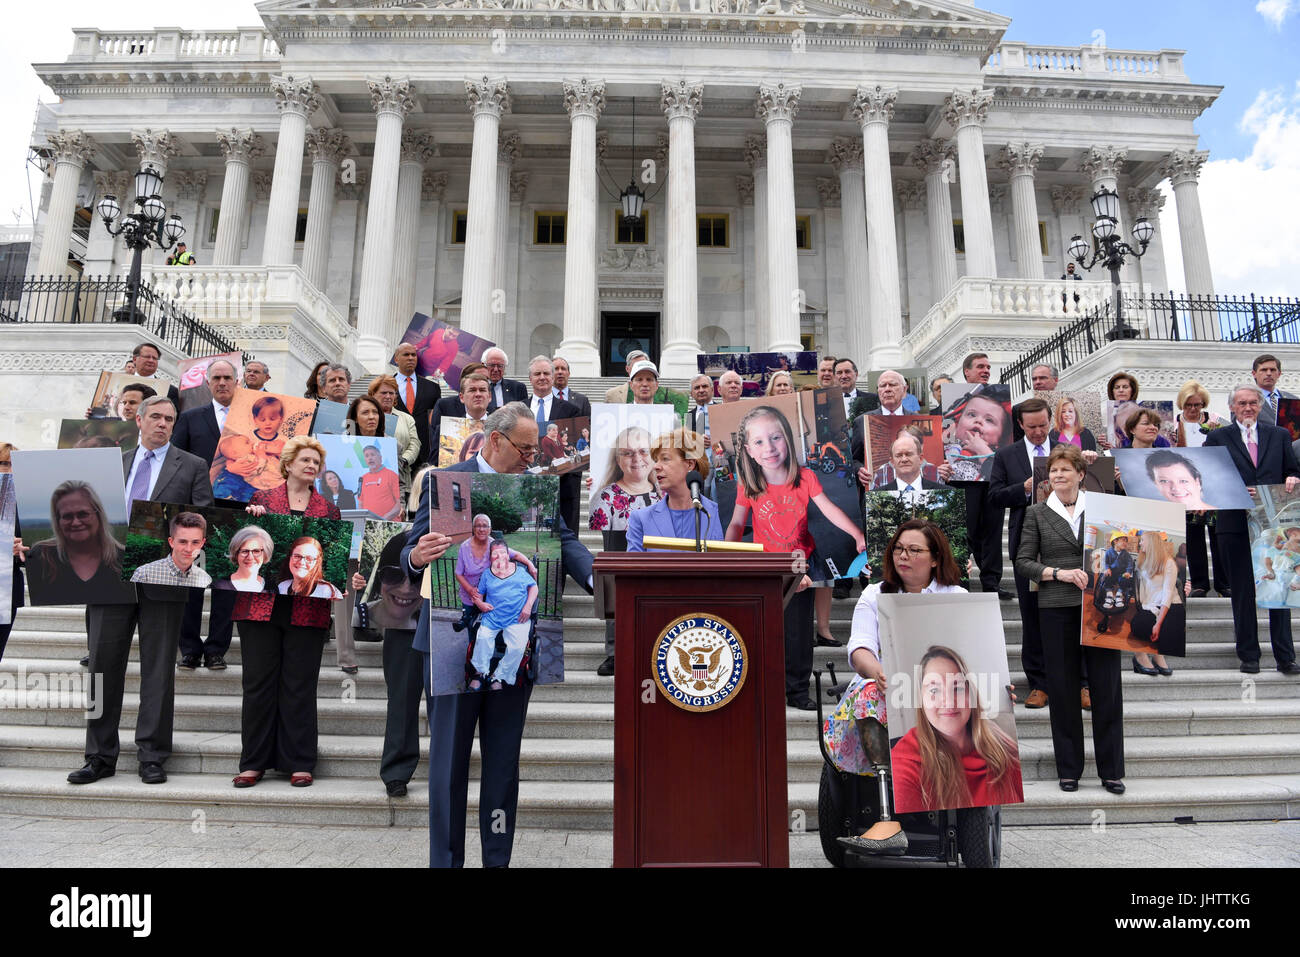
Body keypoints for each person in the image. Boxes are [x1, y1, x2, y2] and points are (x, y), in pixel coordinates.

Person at [402, 401, 595, 867]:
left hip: (516, 641)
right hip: (451, 642)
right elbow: (410, 549)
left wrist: (599, 578)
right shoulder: (447, 480)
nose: (533, 457)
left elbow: (565, 543)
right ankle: (446, 862)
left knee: (503, 765)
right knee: (448, 764)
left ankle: (496, 860)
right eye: (525, 448)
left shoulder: (536, 488)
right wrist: (417, 557)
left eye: (535, 449)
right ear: (495, 439)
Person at [66, 395, 215, 786]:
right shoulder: (113, 463)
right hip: (109, 575)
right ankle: (98, 756)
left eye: (170, 418)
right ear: (139, 419)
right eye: (156, 417)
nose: (163, 424)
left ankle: (152, 754)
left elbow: (201, 519)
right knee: (101, 667)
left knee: (159, 669)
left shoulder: (193, 465)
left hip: (164, 577)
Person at [830, 519, 968, 853]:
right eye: (898, 549)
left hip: (939, 692)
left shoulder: (955, 596)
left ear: (935, 558)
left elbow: (971, 654)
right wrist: (879, 672)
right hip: (885, 689)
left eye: (914, 550)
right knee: (867, 692)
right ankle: (886, 816)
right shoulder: (874, 594)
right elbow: (860, 648)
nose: (902, 556)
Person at [725, 404, 865, 710]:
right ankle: (766, 687)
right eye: (759, 442)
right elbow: (737, 523)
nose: (770, 447)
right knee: (766, 629)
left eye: (775, 438)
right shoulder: (748, 484)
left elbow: (828, 509)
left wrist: (856, 534)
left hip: (801, 564)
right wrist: (729, 555)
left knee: (800, 631)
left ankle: (797, 689)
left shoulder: (805, 477)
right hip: (766, 566)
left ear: (787, 439)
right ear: (748, 450)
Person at [1016, 444, 1126, 794]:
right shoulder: (1036, 513)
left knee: (1106, 688)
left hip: (1101, 607)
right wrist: (1056, 573)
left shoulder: (1103, 509)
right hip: (1056, 607)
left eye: (1066, 469)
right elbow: (1022, 561)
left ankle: (1111, 770)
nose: (1059, 475)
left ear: (1081, 474)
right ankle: (1069, 769)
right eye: (1054, 470)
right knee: (1062, 689)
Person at [232, 436, 341, 788]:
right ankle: (254, 761)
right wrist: (252, 522)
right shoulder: (261, 500)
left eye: (316, 462)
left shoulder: (328, 509)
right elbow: (244, 549)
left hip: (307, 608)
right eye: (305, 460)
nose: (311, 466)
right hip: (261, 606)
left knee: (299, 684)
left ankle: (299, 760)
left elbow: (330, 560)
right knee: (258, 683)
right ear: (289, 464)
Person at [1205, 383, 1300, 675]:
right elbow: (1206, 478)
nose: (1248, 408)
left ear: (1260, 406)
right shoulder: (1218, 437)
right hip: (1234, 524)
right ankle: (1249, 654)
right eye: (1242, 403)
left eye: (1252, 403)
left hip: (1273, 524)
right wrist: (1235, 489)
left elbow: (1293, 469)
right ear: (1233, 407)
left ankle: (1285, 657)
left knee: (1279, 588)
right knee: (1243, 590)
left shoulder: (1279, 435)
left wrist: (1293, 480)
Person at [989, 398, 1066, 709]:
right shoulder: (1007, 455)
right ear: (1020, 424)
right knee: (1032, 616)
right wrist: (1022, 488)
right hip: (1029, 547)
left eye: (1043, 425)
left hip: (1068, 545)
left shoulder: (1066, 449)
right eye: (1031, 427)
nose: (1038, 432)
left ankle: (1079, 681)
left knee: (1070, 615)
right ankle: (1039, 682)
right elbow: (994, 496)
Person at [890, 645, 1024, 815]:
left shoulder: (1000, 745)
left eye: (958, 687)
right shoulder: (905, 763)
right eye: (934, 689)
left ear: (970, 694)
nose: (948, 701)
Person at [590, 425, 661, 676]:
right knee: (616, 593)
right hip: (618, 546)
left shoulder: (664, 494)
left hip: (657, 552)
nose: (637, 458)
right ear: (618, 459)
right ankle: (615, 653)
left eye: (643, 451)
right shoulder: (605, 496)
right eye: (627, 452)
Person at [24, 480, 134, 606]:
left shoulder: (123, 559)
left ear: (99, 515)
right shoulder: (42, 556)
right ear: (57, 521)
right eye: (67, 516)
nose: (75, 522)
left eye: (83, 514)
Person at [627, 428, 725, 550]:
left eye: (665, 459)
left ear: (690, 464)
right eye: (656, 460)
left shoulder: (717, 513)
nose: (656, 466)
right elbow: (634, 568)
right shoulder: (640, 519)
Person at [1174, 380, 1228, 598]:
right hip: (1184, 486)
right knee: (1193, 537)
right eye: (1189, 405)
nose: (1194, 409)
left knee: (1217, 535)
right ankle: (1199, 584)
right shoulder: (1173, 423)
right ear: (1182, 405)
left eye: (1197, 405)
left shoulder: (1215, 421)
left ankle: (1224, 583)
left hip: (1211, 486)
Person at [467, 540, 538, 691]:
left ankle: (499, 676)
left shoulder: (520, 572)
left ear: (508, 555)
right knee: (483, 638)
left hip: (517, 618)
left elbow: (534, 587)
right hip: (493, 617)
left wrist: (528, 606)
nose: (500, 556)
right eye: (495, 553)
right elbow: (478, 595)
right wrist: (480, 604)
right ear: (491, 557)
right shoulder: (487, 574)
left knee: (518, 647)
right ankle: (480, 673)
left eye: (503, 553)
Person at [1130, 530, 1183, 677]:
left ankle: (1158, 655)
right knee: (1138, 626)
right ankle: (1140, 656)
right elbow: (1142, 592)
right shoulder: (1141, 562)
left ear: (1152, 543)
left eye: (1142, 541)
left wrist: (1158, 623)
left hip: (1170, 604)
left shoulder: (1169, 563)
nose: (1140, 543)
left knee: (1170, 632)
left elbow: (1167, 594)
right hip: (1151, 605)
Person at [368, 375, 421, 499]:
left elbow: (415, 443)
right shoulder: (364, 416)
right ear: (373, 394)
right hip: (371, 478)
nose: (388, 396)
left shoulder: (407, 418)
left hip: (400, 478)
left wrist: (403, 460)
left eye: (392, 393)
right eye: (383, 393)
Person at [130, 511, 212, 588]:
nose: (189, 549)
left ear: (202, 543)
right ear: (171, 542)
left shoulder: (205, 580)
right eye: (183, 542)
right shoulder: (144, 575)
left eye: (195, 542)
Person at [392, 341, 442, 462]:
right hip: (396, 448)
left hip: (425, 450)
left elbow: (436, 420)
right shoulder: (386, 386)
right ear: (396, 359)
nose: (410, 358)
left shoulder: (433, 388)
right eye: (406, 355)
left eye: (413, 355)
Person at [431, 369, 492, 465]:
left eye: (482, 390)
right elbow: (434, 466)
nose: (478, 394)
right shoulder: (446, 430)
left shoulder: (501, 428)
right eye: (472, 390)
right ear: (462, 397)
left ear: (489, 397)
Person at [866, 430, 948, 493]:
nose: (904, 459)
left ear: (920, 457)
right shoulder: (881, 473)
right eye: (899, 455)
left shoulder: (935, 471)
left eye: (909, 454)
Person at [1093, 532, 1136, 637]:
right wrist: (1107, 568)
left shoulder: (1126, 554)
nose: (1125, 543)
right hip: (1111, 572)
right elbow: (1106, 562)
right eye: (1123, 540)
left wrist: (1128, 572)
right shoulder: (1109, 552)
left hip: (1121, 574)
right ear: (1115, 541)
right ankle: (1109, 595)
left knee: (1126, 580)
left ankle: (1119, 595)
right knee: (1107, 577)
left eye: (1126, 541)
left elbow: (1130, 565)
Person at [214, 525, 275, 593]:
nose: (250, 557)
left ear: (265, 554)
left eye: (256, 551)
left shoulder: (271, 588)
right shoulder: (218, 587)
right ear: (236, 554)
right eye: (245, 551)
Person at [357, 444, 403, 521]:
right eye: (367, 456)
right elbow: (360, 504)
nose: (370, 458)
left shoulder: (392, 475)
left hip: (389, 523)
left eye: (372, 454)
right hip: (369, 525)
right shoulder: (362, 478)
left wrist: (383, 519)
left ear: (380, 458)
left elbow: (399, 504)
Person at [1251, 353, 1296, 427]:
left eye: (1272, 370)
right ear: (1254, 374)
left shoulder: (1293, 399)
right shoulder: (1245, 400)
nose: (1269, 373)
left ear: (1279, 374)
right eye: (1264, 370)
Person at [687, 373, 715, 438]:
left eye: (704, 386)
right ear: (691, 394)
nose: (701, 390)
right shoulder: (688, 417)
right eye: (697, 388)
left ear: (712, 390)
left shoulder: (722, 410)